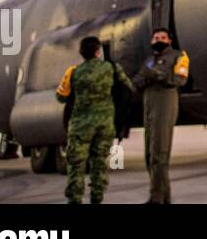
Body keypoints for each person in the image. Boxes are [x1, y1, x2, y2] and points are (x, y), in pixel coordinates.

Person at [55, 35, 133, 204]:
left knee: (76, 165)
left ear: (82, 53)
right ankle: (97, 198)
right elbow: (128, 87)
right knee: (99, 163)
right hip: (104, 124)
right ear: (99, 52)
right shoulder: (112, 68)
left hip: (80, 125)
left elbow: (61, 97)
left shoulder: (73, 71)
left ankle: (75, 199)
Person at [132, 27, 189, 204]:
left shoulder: (179, 56)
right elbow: (137, 81)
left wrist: (157, 75)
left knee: (159, 154)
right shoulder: (149, 60)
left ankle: (156, 197)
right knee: (150, 156)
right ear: (151, 41)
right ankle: (164, 197)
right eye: (156, 37)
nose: (159, 40)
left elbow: (179, 80)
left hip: (165, 105)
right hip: (149, 107)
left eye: (163, 37)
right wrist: (150, 76)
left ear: (169, 40)